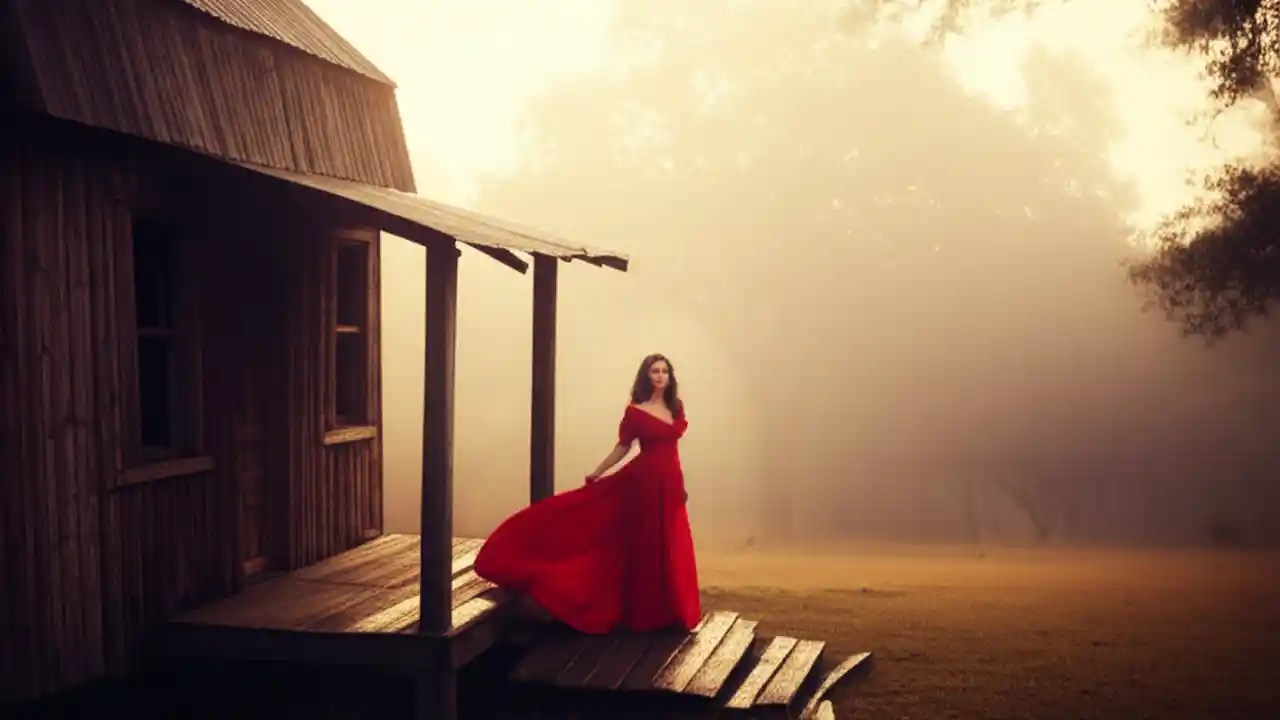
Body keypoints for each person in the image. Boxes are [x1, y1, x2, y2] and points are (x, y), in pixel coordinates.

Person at [473, 353, 701, 635]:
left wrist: (680, 485)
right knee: (644, 543)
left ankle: (670, 612)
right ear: (646, 376)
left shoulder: (675, 407)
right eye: (654, 371)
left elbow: (673, 454)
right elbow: (623, 447)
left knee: (670, 543)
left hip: (669, 482)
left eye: (664, 371)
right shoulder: (635, 411)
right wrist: (599, 471)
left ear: (670, 376)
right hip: (643, 483)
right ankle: (644, 614)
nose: (660, 376)